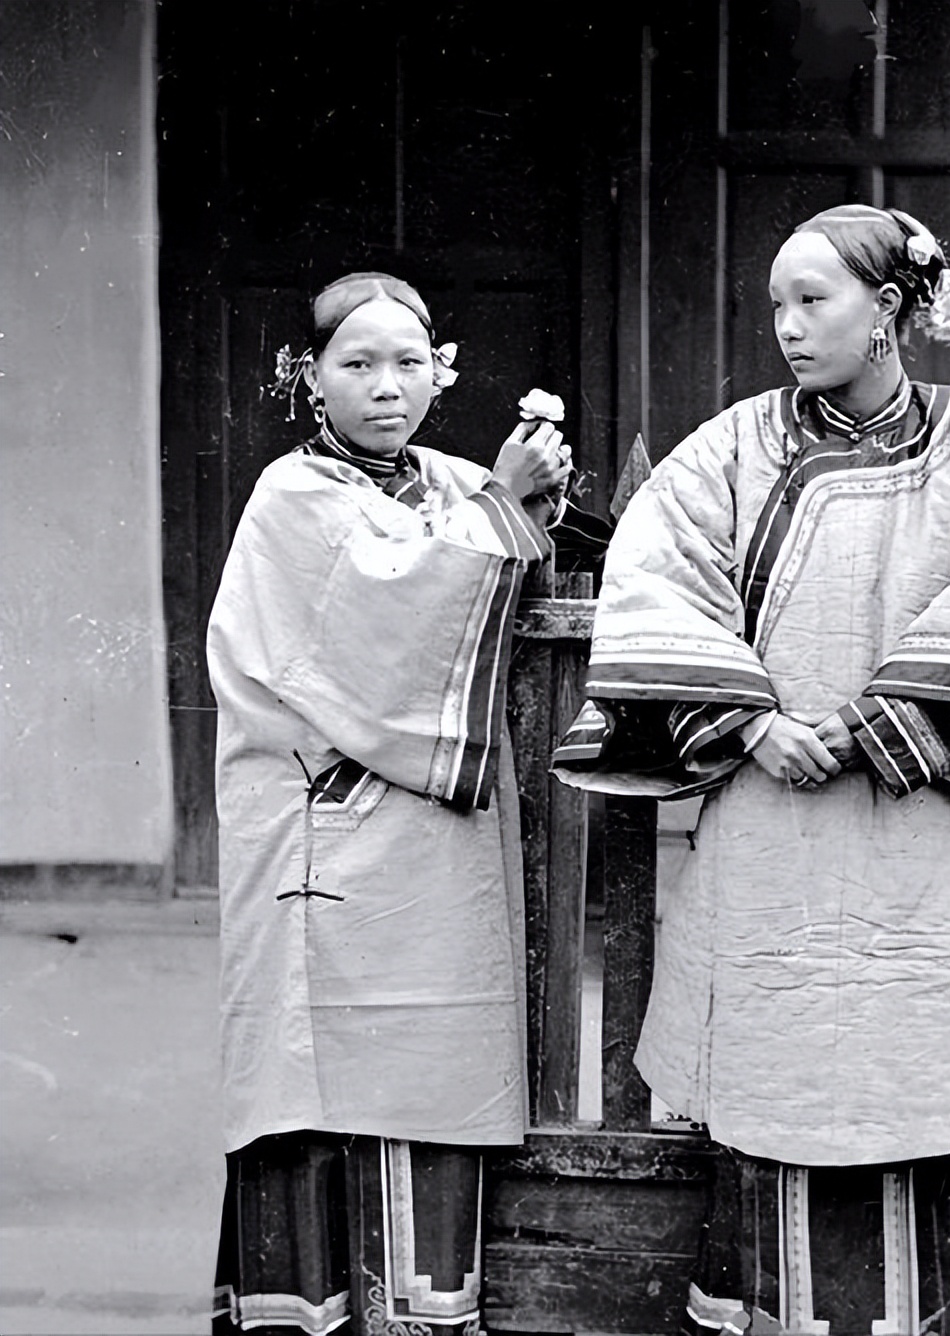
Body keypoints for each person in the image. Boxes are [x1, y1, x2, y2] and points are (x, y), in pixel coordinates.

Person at [554, 206, 950, 1335]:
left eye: (812, 300)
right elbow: (655, 579)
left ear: (892, 312)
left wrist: (880, 722)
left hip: (942, 829)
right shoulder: (730, 450)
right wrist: (753, 721)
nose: (788, 327)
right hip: (782, 826)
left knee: (949, 1076)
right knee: (792, 1083)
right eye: (776, 304)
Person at [206, 272, 571, 1336]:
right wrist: (502, 511)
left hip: (428, 855)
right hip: (327, 843)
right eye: (356, 364)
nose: (385, 387)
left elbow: (502, 555)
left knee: (424, 1081)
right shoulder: (291, 495)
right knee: (314, 1088)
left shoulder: (455, 481)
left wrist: (533, 501)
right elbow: (380, 619)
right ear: (307, 378)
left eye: (408, 363)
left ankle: (421, 1313)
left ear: (439, 374)